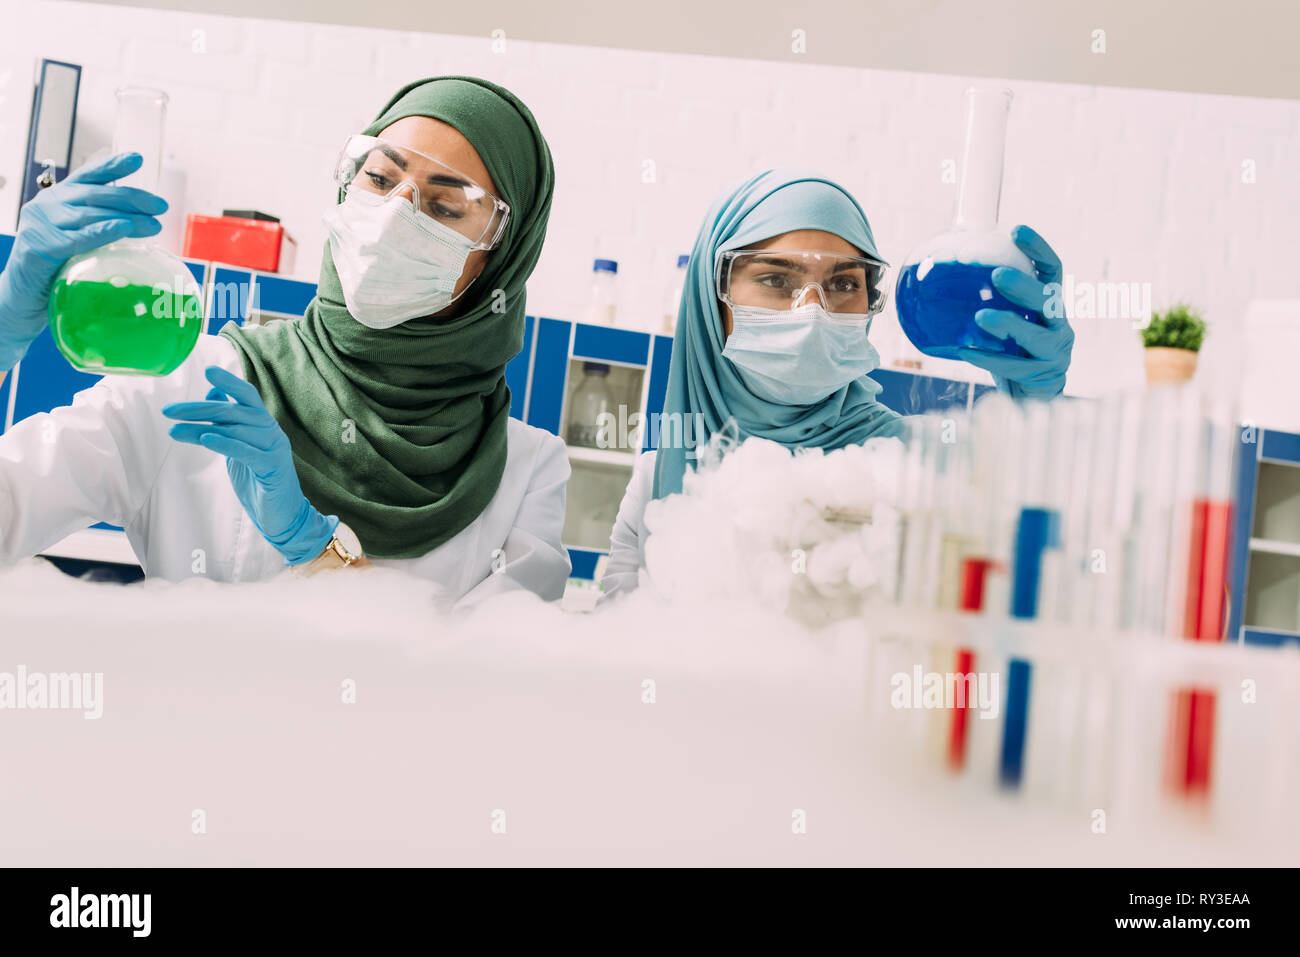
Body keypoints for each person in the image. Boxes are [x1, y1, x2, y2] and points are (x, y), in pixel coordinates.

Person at [0, 76, 571, 604]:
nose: (393, 217)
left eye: (446, 206)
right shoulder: (197, 381)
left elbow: (482, 696)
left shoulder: (526, 471)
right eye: (377, 178)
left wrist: (315, 547)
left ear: (504, 259)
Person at [599, 169, 1072, 599]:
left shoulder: (916, 462)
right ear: (711, 298)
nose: (812, 310)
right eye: (776, 279)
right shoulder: (659, 480)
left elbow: (1029, 582)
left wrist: (1030, 424)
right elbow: (614, 652)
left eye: (845, 284)